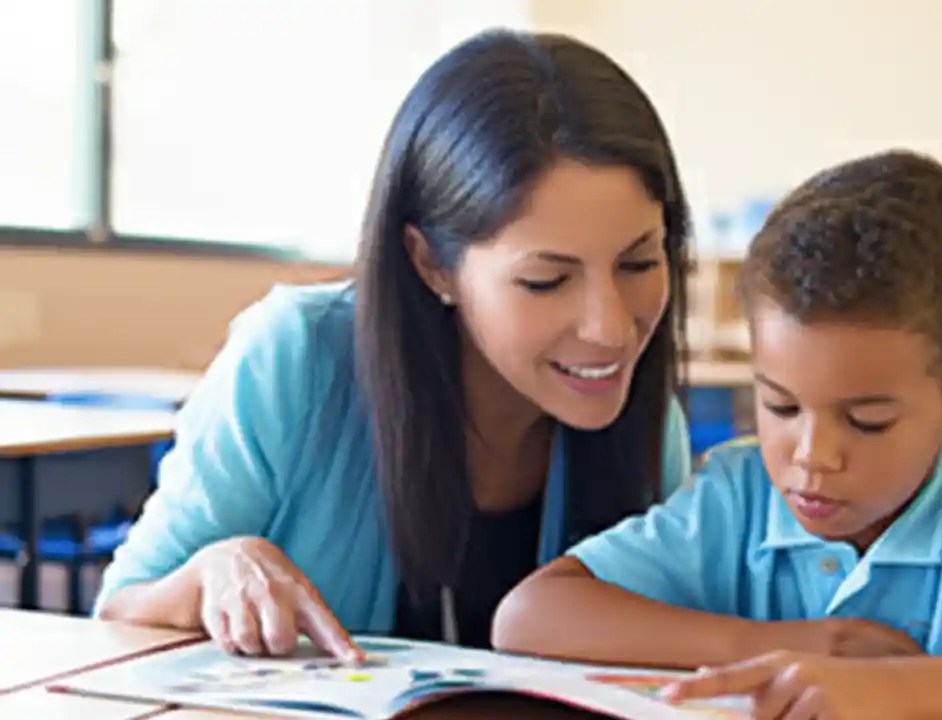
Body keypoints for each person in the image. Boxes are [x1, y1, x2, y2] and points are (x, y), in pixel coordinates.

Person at [93, 28, 694, 662]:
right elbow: (119, 611)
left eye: (639, 264)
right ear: (431, 263)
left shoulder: (649, 425)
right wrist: (213, 571)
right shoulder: (296, 359)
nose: (611, 328)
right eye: (546, 281)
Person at [494, 151, 942, 718]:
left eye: (867, 421)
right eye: (779, 406)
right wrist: (793, 646)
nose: (812, 458)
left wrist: (889, 692)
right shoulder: (740, 494)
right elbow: (526, 617)